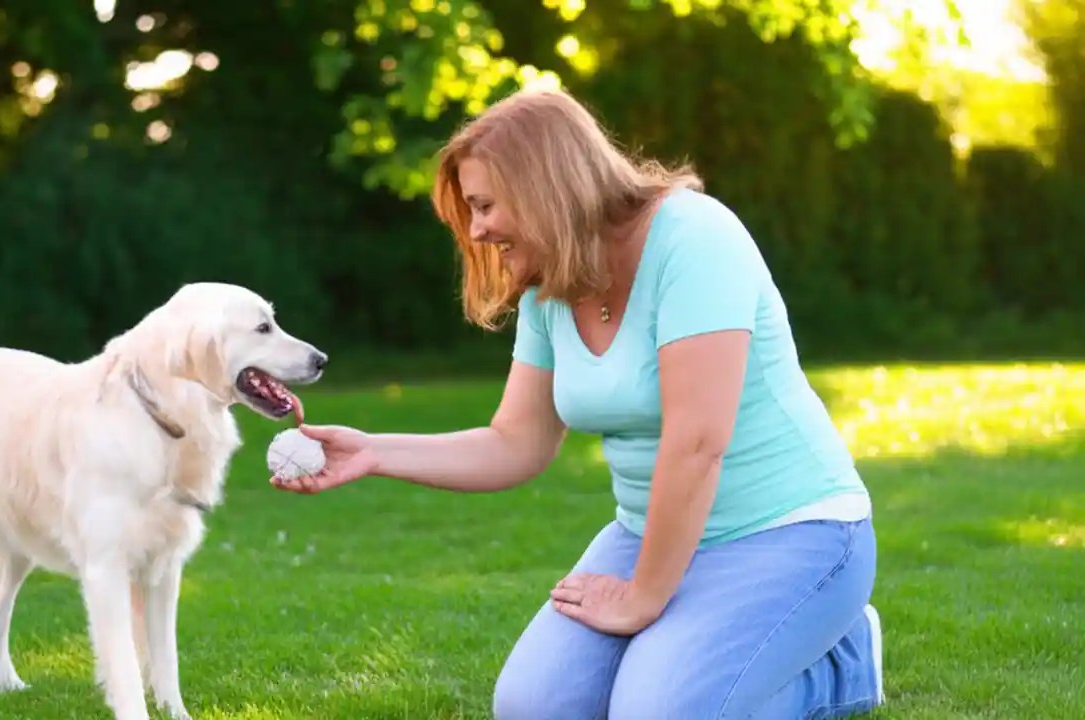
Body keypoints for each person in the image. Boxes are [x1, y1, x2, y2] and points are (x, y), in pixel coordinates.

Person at [271, 86, 884, 719]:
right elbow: (517, 441)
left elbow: (697, 442)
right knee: (534, 707)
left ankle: (840, 666)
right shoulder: (549, 287)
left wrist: (644, 597)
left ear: (543, 187)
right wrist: (373, 451)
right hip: (652, 532)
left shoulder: (695, 238)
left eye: (484, 206)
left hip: (791, 532)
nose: (477, 230)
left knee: (656, 713)